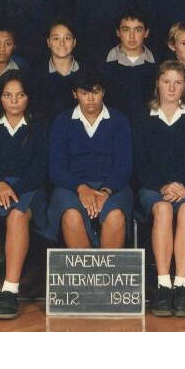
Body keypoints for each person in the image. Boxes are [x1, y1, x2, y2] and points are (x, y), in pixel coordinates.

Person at [132, 61, 185, 317]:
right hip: (154, 188)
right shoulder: (143, 119)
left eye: (178, 82)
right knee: (163, 210)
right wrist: (163, 185)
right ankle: (164, 285)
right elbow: (140, 163)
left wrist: (184, 187)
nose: (172, 88)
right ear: (157, 83)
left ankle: (181, 286)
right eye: (166, 82)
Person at [0, 72, 47, 320]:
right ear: (0, 99)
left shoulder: (38, 126)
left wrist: (12, 190)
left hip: (28, 188)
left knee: (16, 215)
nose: (14, 101)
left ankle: (10, 290)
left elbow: (41, 168)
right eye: (7, 95)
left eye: (20, 95)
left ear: (28, 98)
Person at [43, 68, 133, 249]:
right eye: (84, 93)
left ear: (103, 92)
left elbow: (124, 165)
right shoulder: (62, 121)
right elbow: (56, 168)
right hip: (72, 186)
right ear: (75, 94)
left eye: (95, 92)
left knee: (114, 215)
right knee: (71, 215)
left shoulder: (119, 120)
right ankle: (88, 275)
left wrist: (106, 191)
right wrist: (81, 188)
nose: (90, 99)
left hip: (113, 186)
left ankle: (106, 276)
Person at [100, 10, 156, 116]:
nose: (132, 36)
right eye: (126, 30)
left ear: (146, 33)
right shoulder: (103, 64)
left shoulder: (158, 65)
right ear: (118, 32)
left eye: (138, 30)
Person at [27, 19, 85, 121]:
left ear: (74, 42)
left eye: (67, 38)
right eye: (56, 38)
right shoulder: (34, 74)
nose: (62, 43)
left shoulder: (87, 71)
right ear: (48, 42)